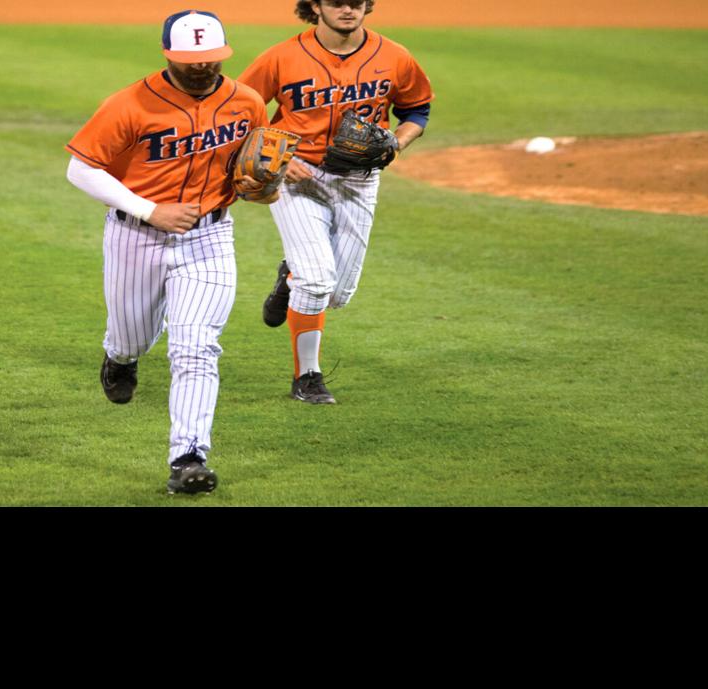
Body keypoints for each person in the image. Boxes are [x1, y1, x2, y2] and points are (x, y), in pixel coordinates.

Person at [64, 10, 278, 494]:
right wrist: (148, 209)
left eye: (211, 59)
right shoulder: (129, 104)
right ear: (168, 55)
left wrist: (260, 185)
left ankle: (188, 457)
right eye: (191, 61)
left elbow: (256, 163)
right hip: (134, 237)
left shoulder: (245, 101)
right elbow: (81, 170)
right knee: (132, 336)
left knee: (195, 347)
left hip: (210, 238)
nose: (203, 68)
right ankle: (119, 357)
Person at [238, 0, 434, 404]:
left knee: (336, 294)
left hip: (360, 180)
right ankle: (307, 377)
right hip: (298, 177)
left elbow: (416, 109)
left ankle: (289, 278)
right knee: (316, 281)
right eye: (337, 2)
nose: (348, 10)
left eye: (356, 2)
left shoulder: (395, 56)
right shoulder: (281, 57)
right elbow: (240, 112)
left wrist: (397, 144)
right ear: (315, 6)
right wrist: (280, 158)